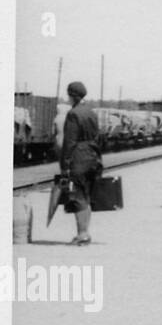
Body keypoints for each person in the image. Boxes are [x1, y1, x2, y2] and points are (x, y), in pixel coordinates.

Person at [60, 81, 102, 246]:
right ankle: (85, 233)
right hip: (92, 156)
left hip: (78, 158)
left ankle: (82, 234)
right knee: (87, 196)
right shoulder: (92, 112)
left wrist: (65, 164)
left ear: (73, 95)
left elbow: (69, 141)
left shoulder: (73, 114)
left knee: (78, 197)